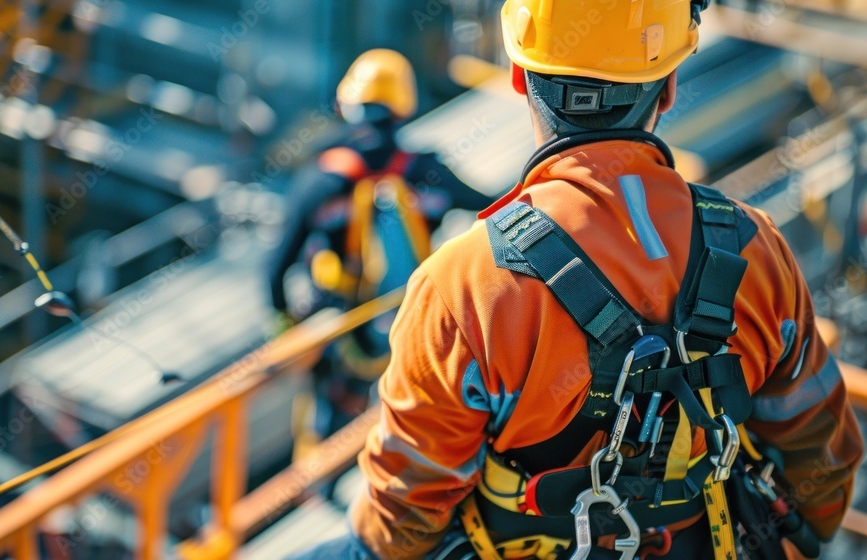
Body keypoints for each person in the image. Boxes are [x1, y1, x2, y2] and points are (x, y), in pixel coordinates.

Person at [288, 1, 864, 559]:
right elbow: (824, 464)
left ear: (518, 76)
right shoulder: (754, 248)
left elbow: (401, 520)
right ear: (668, 86)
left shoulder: (461, 284)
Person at [269, 49, 494, 457]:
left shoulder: (319, 180)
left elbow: (275, 269)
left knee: (327, 430)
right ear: (404, 105)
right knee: (405, 424)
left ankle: (319, 481)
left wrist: (285, 327)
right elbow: (493, 208)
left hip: (338, 333)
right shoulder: (426, 171)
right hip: (414, 328)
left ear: (346, 105)